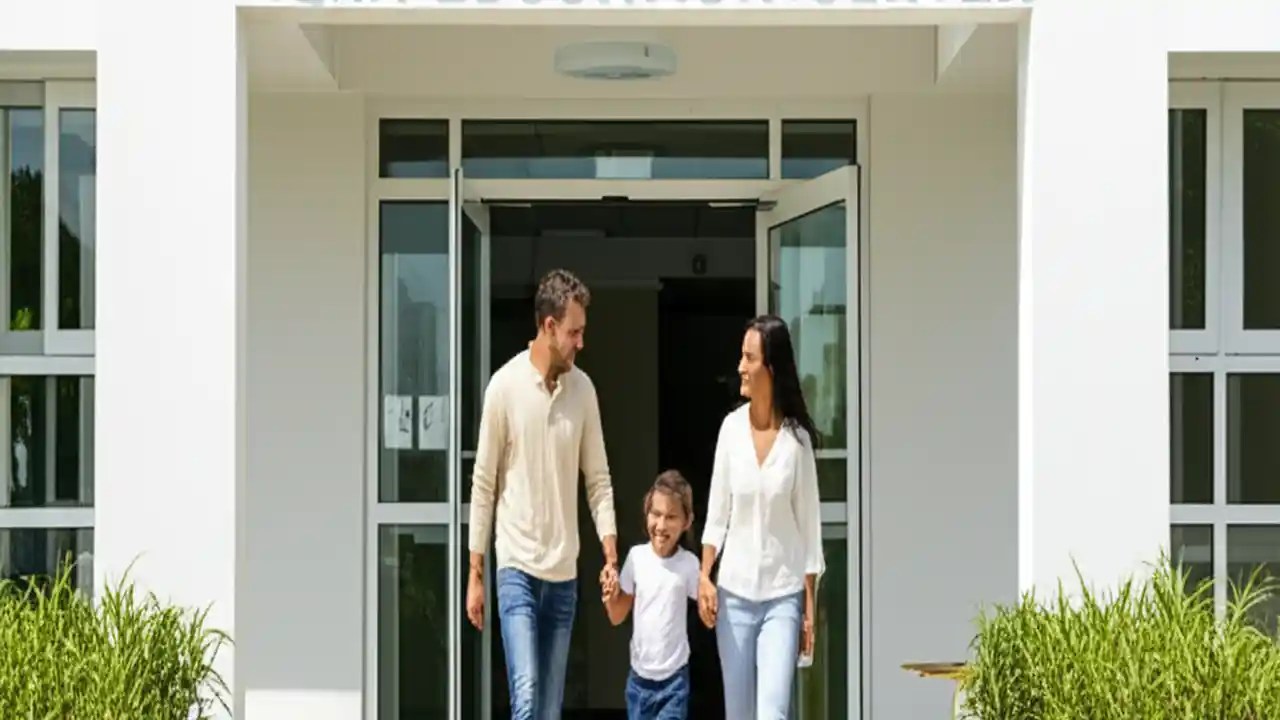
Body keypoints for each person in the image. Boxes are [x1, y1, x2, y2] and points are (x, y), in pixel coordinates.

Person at [466, 268, 619, 720]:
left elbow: (598, 479)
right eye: (574, 332)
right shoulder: (504, 387)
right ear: (549, 326)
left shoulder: (583, 391)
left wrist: (609, 551)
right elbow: (483, 484)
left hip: (563, 573)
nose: (581, 342)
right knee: (527, 694)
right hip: (516, 565)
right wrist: (476, 573)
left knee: (549, 709)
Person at [697, 314, 825, 720]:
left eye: (748, 358)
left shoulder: (797, 441)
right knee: (739, 713)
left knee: (772, 712)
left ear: (770, 367)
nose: (740, 366)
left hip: (782, 597)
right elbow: (717, 514)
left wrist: (808, 609)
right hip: (734, 595)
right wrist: (705, 576)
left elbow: (810, 530)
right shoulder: (730, 430)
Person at [602, 470, 701, 720]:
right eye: (655, 514)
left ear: (687, 521)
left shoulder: (689, 564)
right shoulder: (636, 558)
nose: (661, 525)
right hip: (639, 682)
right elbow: (617, 615)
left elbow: (710, 612)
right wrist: (610, 597)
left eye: (671, 517)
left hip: (674, 681)